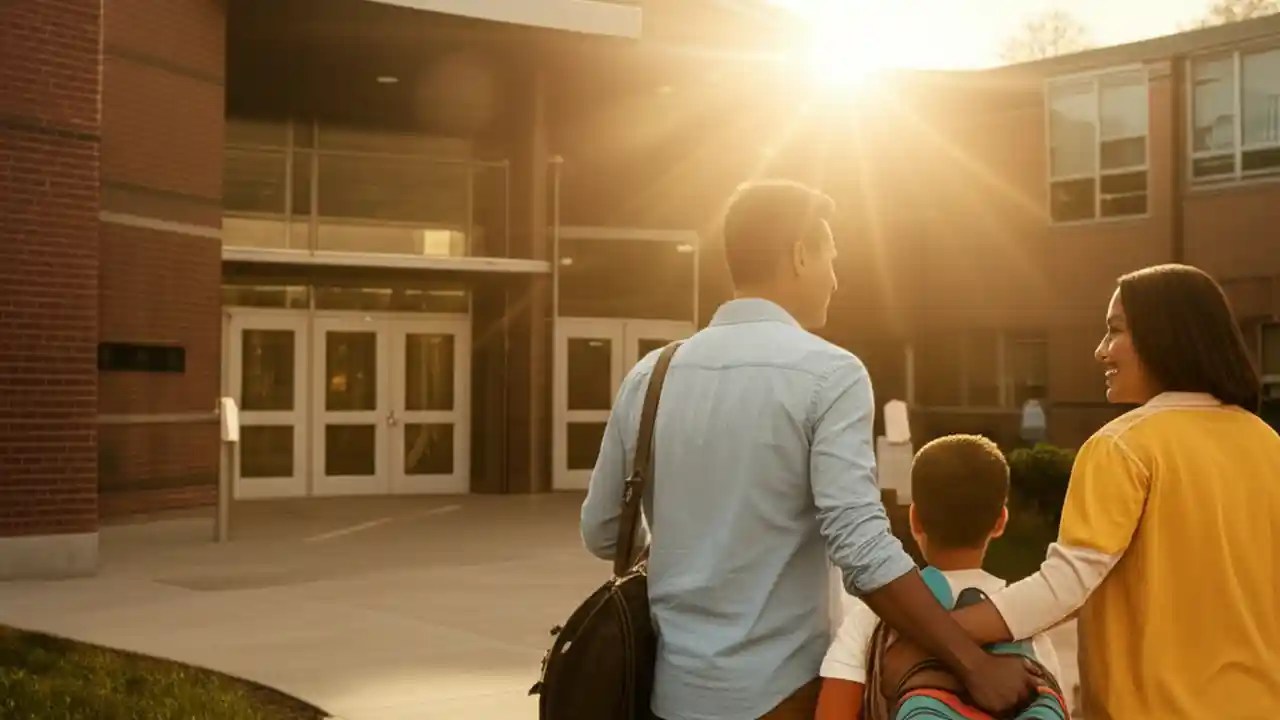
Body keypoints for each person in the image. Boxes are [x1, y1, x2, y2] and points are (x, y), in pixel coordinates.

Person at [580, 180, 1035, 720]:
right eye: (830, 258)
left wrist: (691, 547)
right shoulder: (829, 373)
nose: (835, 279)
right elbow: (860, 547)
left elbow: (602, 529)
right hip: (781, 696)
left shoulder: (650, 376)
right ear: (800, 254)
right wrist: (973, 664)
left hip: (671, 696)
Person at [948, 264, 1280, 718]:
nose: (1101, 351)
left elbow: (1064, 586)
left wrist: (939, 632)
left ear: (1164, 335)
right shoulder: (1267, 443)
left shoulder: (1122, 446)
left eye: (1115, 330)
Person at [814, 434, 1062, 720]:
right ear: (1000, 522)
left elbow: (833, 714)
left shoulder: (875, 616)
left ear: (914, 519)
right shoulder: (1024, 624)